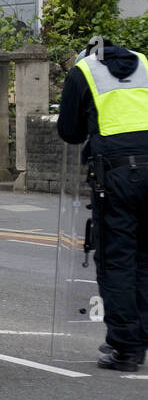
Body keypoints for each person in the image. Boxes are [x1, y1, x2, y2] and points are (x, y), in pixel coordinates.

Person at [57, 38, 148, 372]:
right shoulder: (144, 62)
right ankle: (142, 335)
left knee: (117, 261)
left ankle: (125, 348)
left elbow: (68, 131)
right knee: (145, 258)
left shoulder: (84, 71)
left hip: (116, 176)